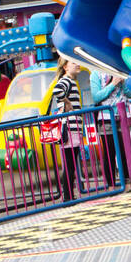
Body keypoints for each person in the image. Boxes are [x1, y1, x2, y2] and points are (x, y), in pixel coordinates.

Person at [51, 57, 85, 200]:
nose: (77, 64)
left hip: (73, 127)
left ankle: (69, 194)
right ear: (65, 67)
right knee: (70, 163)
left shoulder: (71, 81)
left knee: (71, 163)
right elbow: (57, 90)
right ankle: (68, 196)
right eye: (73, 62)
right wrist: (66, 101)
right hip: (69, 128)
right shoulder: (66, 81)